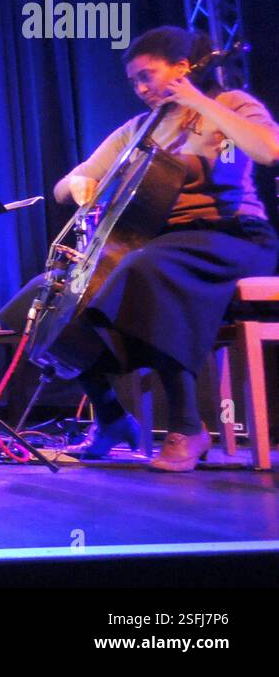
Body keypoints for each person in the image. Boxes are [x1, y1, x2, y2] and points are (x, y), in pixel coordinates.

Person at [37, 27, 278, 471]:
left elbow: (268, 150)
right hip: (162, 244)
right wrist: (78, 183)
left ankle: (188, 427)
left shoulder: (230, 106)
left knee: (149, 270)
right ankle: (110, 417)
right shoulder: (137, 129)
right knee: (53, 296)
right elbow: (62, 187)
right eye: (134, 82)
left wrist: (198, 101)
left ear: (184, 69)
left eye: (148, 76)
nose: (141, 89)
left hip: (233, 236)